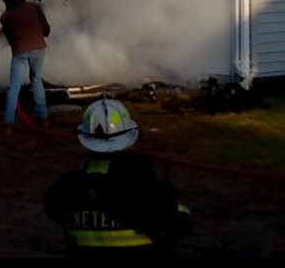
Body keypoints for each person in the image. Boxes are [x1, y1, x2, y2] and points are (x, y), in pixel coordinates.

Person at [44, 96, 191, 255]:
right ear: (129, 139)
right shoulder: (144, 185)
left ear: (84, 140)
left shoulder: (63, 189)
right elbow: (180, 224)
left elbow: (55, 211)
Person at [0, 0, 50, 130]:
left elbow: (11, 41)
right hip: (39, 49)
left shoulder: (5, 17)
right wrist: (38, 8)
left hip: (20, 52)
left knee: (14, 87)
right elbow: (46, 31)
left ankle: (8, 124)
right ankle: (43, 118)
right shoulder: (32, 7)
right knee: (36, 80)